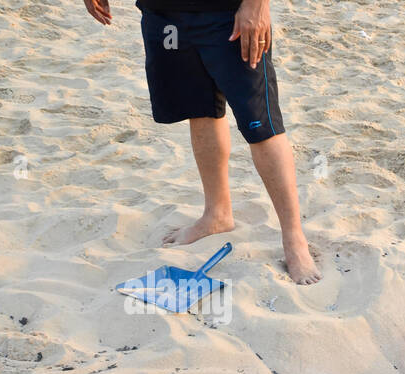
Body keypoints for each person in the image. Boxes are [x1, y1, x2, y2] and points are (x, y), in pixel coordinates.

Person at [84, 0, 321, 284]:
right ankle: (217, 213)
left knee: (261, 125)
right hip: (163, 12)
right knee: (200, 108)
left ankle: (294, 238)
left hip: (229, 13)